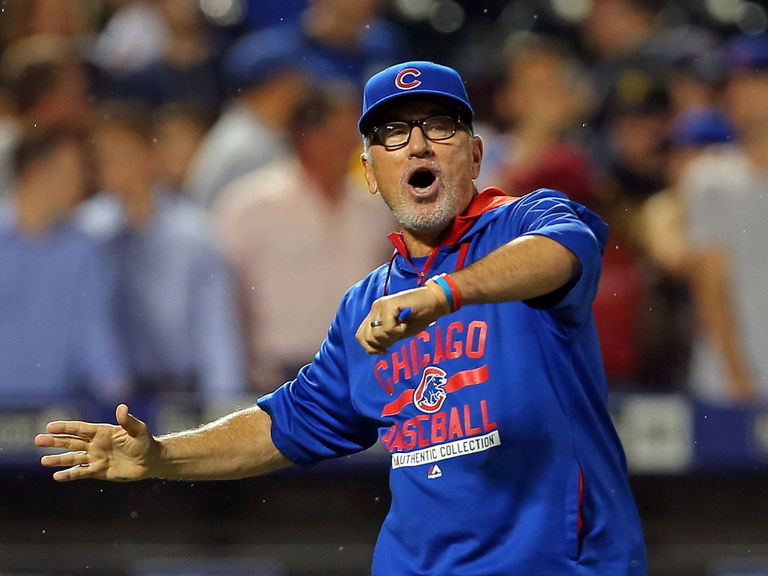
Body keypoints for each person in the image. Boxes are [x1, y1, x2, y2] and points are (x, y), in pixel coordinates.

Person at [36, 61, 646, 575]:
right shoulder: (364, 304)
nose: (419, 144)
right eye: (393, 133)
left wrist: (445, 294)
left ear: (475, 153)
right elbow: (283, 424)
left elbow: (560, 255)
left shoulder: (526, 221)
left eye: (440, 125)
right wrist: (159, 458)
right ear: (371, 168)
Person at [214, 82, 395, 392]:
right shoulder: (250, 206)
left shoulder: (375, 208)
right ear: (308, 137)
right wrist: (228, 382)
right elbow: (223, 301)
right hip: (278, 375)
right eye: (340, 134)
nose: (353, 144)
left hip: (361, 367)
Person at [77, 100, 247, 408]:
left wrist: (225, 408)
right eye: (101, 156)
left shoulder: (196, 235)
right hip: (102, 398)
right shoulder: (86, 232)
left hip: (180, 393)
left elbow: (216, 329)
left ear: (150, 155)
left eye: (121, 153)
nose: (108, 164)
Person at [1, 126, 126, 408]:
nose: (81, 180)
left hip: (58, 415)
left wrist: (118, 399)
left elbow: (94, 329)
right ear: (36, 172)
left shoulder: (85, 249)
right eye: (72, 169)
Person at [679, 35, 768, 404]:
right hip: (729, 385)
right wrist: (738, 378)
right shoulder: (710, 176)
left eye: (755, 81)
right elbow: (710, 285)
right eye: (735, 83)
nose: (741, 93)